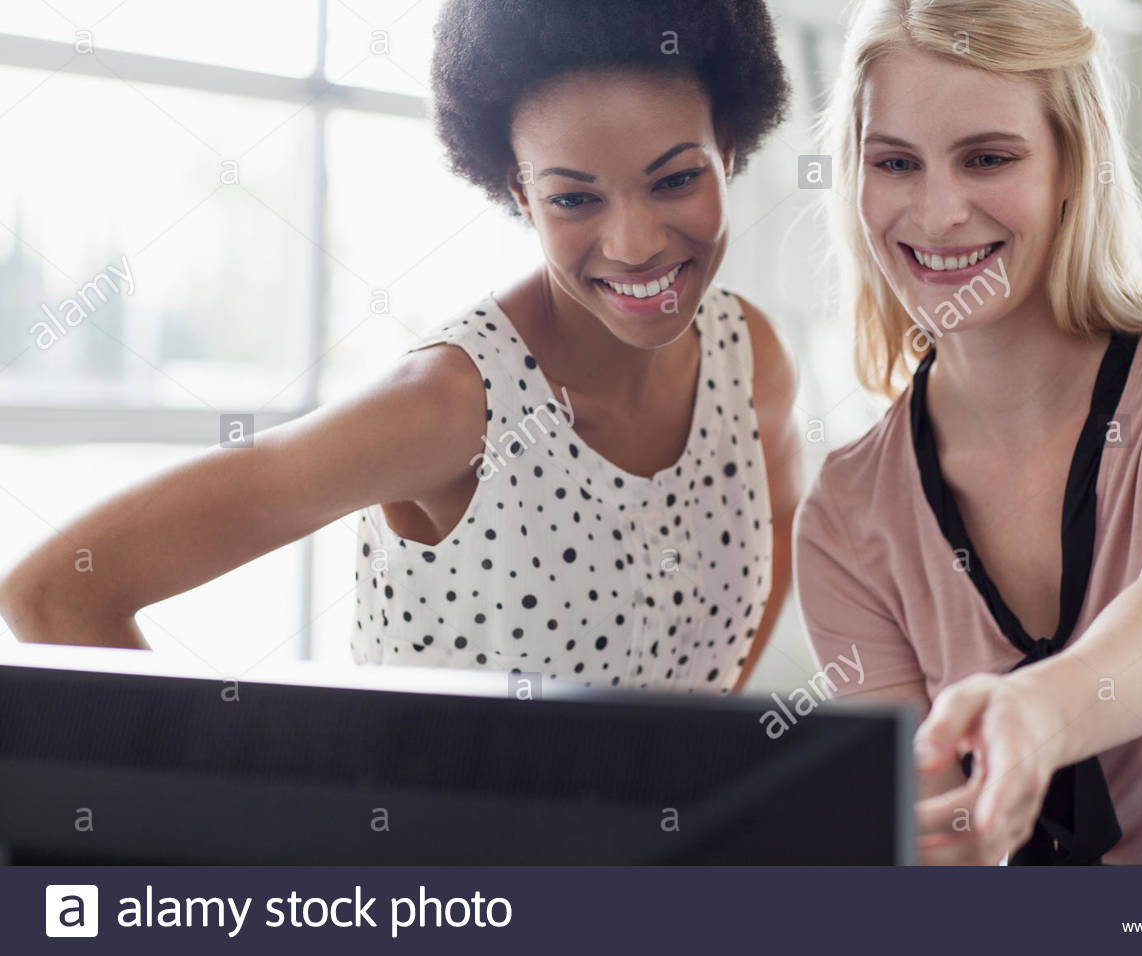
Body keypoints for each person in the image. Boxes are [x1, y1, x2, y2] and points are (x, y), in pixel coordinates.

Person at [0, 0, 803, 696]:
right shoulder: (449, 407)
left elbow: (775, 534)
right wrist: (214, 836)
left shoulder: (750, 357)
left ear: (727, 149)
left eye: (674, 180)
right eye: (573, 197)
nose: (634, 244)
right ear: (520, 195)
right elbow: (55, 595)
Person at [796, 0, 1142, 864]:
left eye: (987, 158)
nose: (939, 211)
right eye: (894, 162)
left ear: (1079, 156)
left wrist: (1040, 715)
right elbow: (927, 843)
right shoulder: (848, 513)